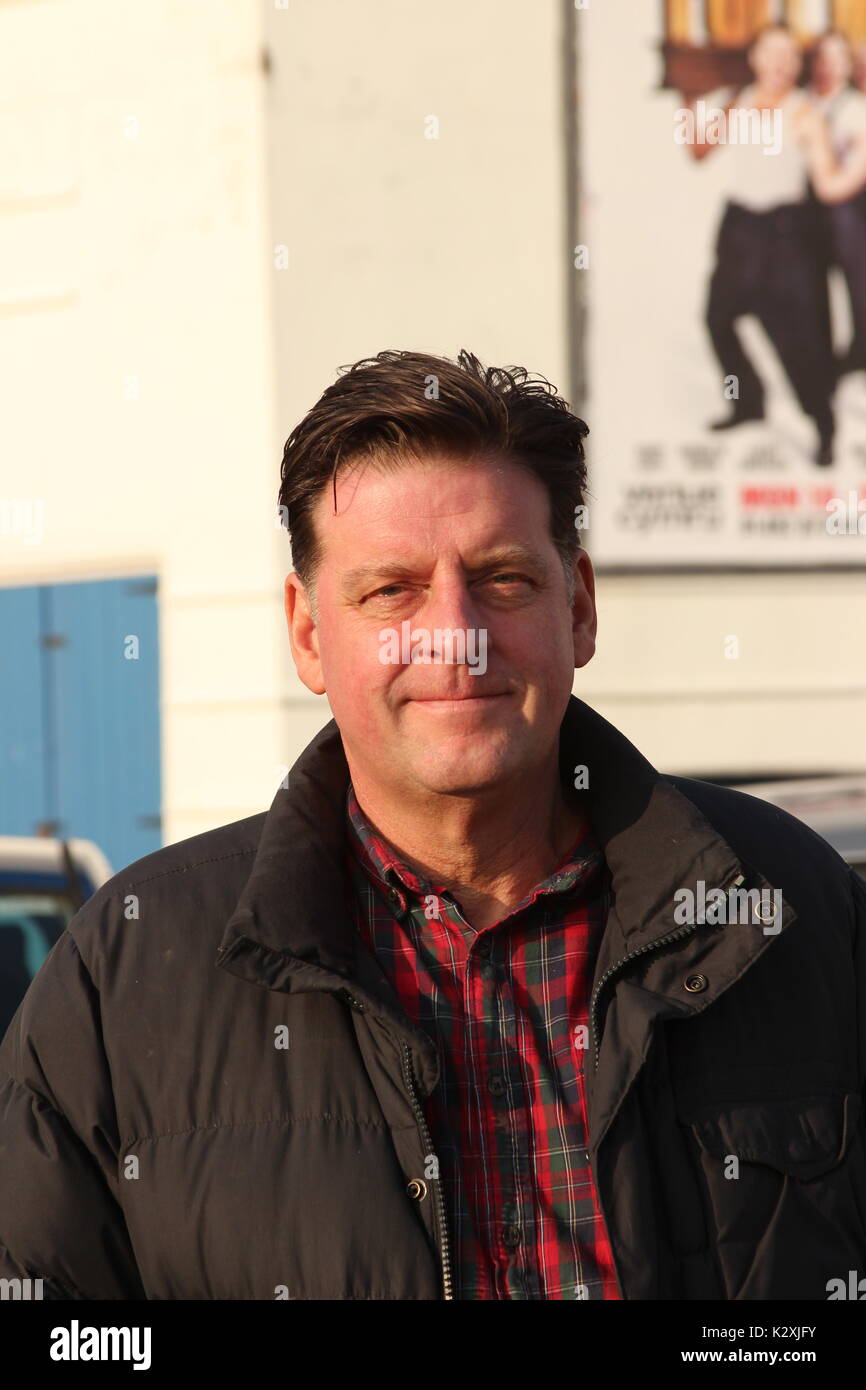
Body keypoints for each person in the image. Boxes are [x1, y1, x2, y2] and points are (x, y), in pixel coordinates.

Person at [1, 348, 865, 1300]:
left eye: (501, 579)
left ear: (577, 606)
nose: (453, 634)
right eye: (390, 591)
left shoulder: (796, 914)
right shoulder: (122, 978)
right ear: (306, 633)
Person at [685, 24, 838, 465]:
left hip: (785, 233)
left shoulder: (804, 112)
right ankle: (748, 402)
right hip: (738, 226)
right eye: (771, 52)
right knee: (718, 318)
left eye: (789, 55)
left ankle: (822, 424)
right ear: (754, 58)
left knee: (797, 340)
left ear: (797, 65)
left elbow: (828, 183)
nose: (779, 63)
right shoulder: (740, 102)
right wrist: (692, 99)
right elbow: (699, 151)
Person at [804, 29, 866, 378]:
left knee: (859, 288)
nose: (827, 67)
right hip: (805, 213)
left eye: (836, 60)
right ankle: (824, 361)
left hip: (850, 213)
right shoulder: (803, 102)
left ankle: (861, 351)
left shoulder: (858, 108)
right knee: (812, 289)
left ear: (848, 66)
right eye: (821, 58)